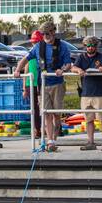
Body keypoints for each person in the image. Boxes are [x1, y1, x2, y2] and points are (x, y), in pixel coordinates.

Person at [15, 20, 71, 152]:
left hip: (57, 84)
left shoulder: (62, 46)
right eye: (43, 33)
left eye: (47, 33)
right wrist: (17, 69)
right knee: (46, 113)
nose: (45, 36)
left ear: (53, 32)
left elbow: (68, 64)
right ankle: (50, 141)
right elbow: (25, 59)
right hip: (43, 84)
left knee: (56, 115)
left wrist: (62, 70)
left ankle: (55, 139)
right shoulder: (37, 47)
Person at [69, 35, 102, 149]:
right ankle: (91, 142)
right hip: (86, 93)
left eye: (92, 45)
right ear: (85, 46)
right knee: (88, 120)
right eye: (88, 46)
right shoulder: (81, 57)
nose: (90, 48)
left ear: (96, 46)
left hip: (101, 93)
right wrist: (78, 70)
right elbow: (73, 68)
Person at [22, 30, 43, 136]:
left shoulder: (43, 53)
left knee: (44, 107)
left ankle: (47, 129)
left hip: (42, 84)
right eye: (33, 43)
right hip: (31, 84)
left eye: (36, 42)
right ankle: (37, 129)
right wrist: (24, 88)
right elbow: (26, 70)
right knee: (34, 108)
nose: (34, 45)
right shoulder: (30, 53)